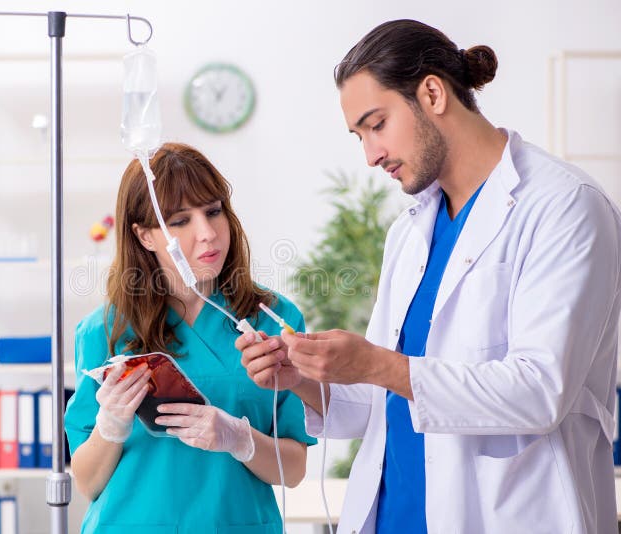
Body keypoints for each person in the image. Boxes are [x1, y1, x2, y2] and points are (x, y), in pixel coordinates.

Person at [237, 19, 621, 534]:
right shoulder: (411, 229)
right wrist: (304, 379)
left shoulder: (564, 207)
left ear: (433, 93)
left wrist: (376, 364)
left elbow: (538, 391)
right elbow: (376, 400)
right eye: (359, 135)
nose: (370, 156)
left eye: (377, 125)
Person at [65, 142, 316, 533]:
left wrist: (240, 438)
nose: (207, 233)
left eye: (213, 211)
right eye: (180, 220)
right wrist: (109, 426)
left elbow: (294, 470)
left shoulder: (273, 320)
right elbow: (87, 481)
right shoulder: (106, 331)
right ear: (145, 235)